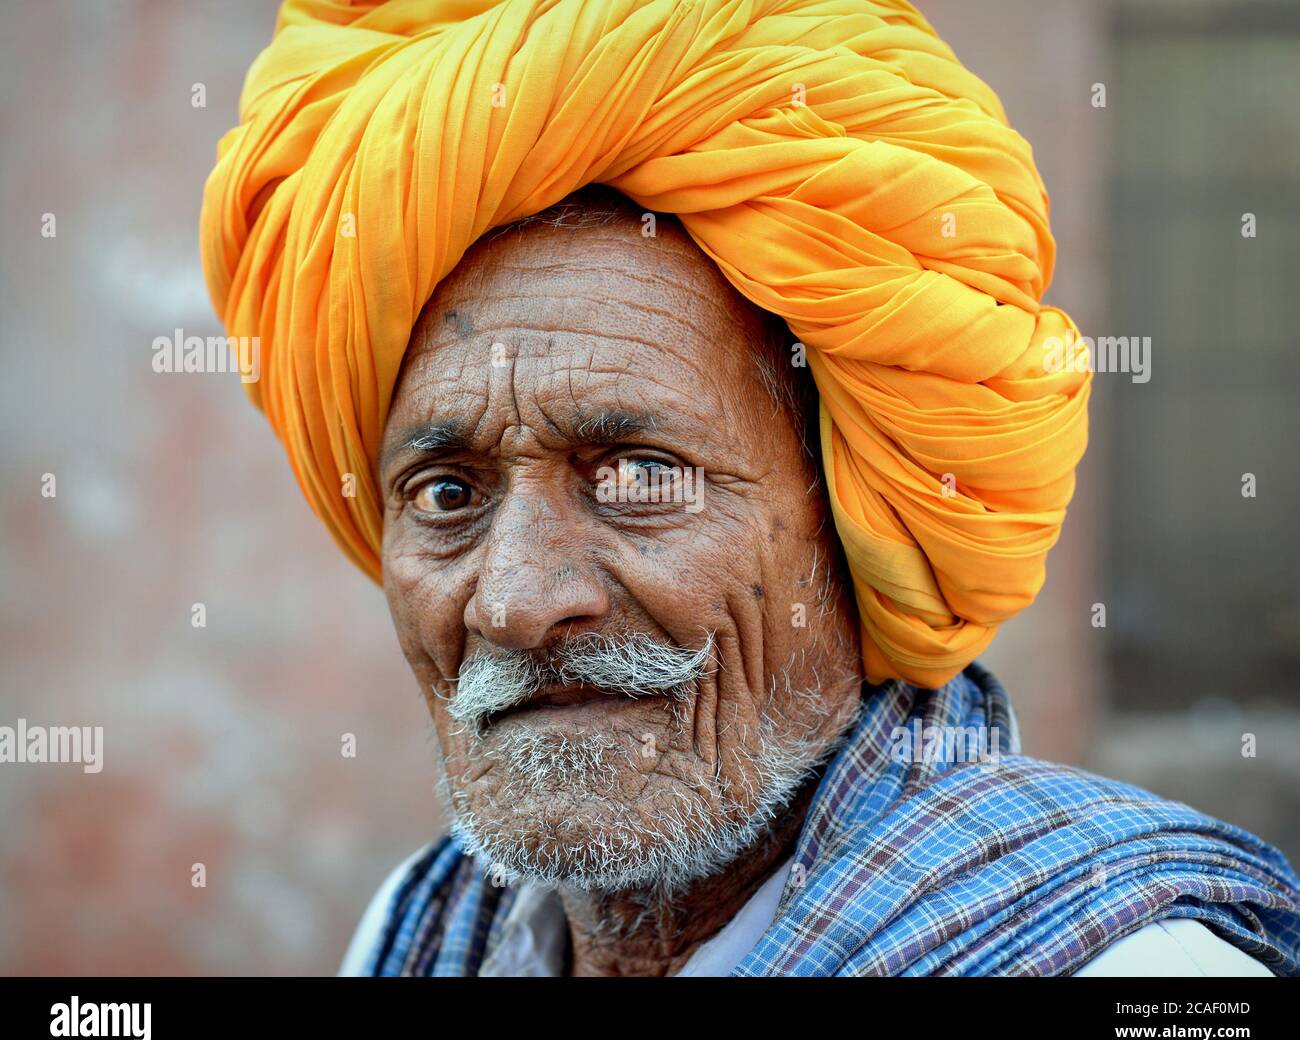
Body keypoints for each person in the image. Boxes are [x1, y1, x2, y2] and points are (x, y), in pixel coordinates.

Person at [200, 0, 1300, 976]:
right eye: (445, 494)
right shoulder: (420, 930)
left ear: (854, 517)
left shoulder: (1122, 966)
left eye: (638, 475)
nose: (515, 603)